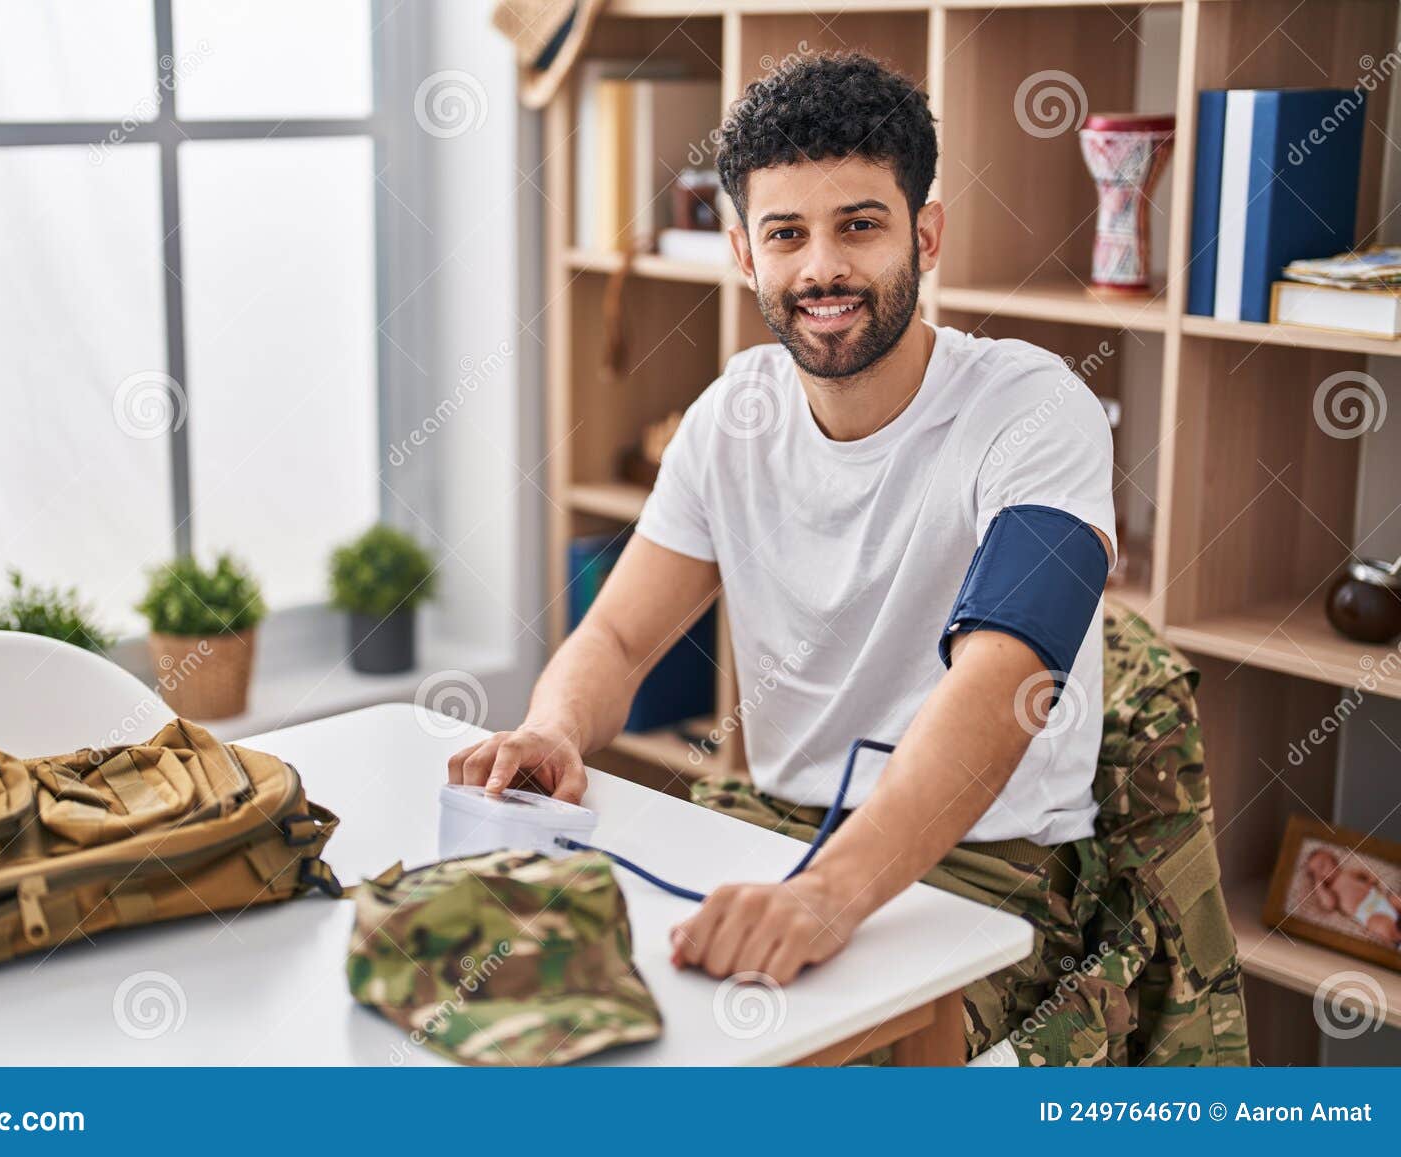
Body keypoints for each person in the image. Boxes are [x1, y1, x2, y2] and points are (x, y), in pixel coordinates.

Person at [448, 52, 1115, 1045]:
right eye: (786, 234)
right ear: (743, 254)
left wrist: (827, 897)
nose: (821, 270)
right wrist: (552, 726)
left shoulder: (1035, 407)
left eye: (859, 226)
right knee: (554, 1001)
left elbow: (1002, 680)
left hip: (988, 858)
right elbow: (624, 636)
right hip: (770, 822)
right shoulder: (731, 416)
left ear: (924, 235)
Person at [1303, 847, 1401, 949]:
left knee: (1396, 899)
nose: (1321, 872)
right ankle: (1398, 938)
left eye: (1323, 865)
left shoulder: (1348, 873)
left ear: (1333, 861)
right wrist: (1319, 886)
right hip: (1368, 914)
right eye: (1316, 874)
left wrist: (1371, 879)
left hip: (1379, 899)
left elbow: (1364, 872)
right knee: (1381, 927)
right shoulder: (1330, 891)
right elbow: (1329, 904)